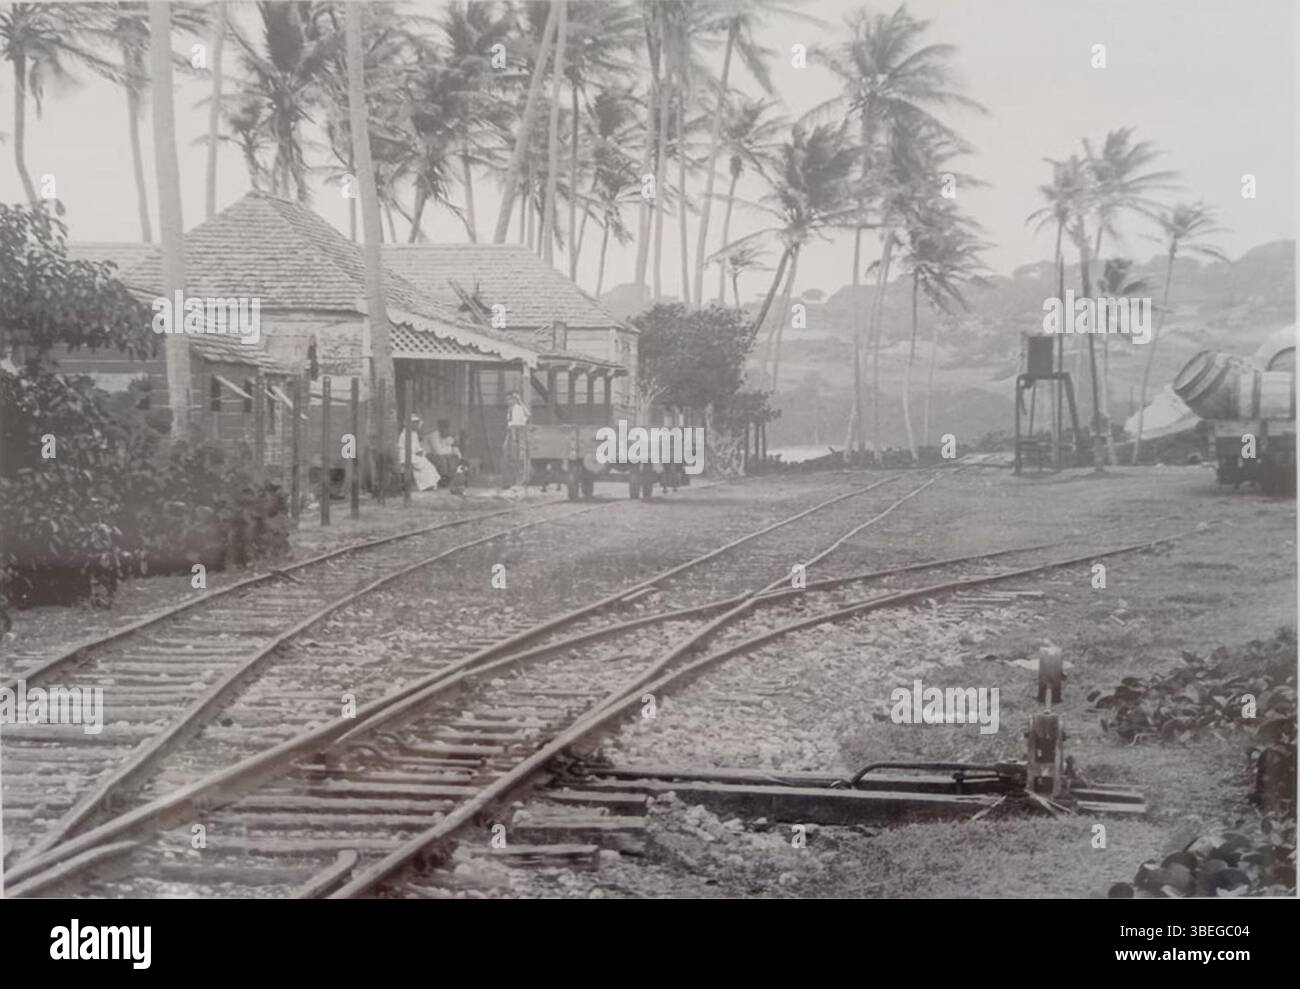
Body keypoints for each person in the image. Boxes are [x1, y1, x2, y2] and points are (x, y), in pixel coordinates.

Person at [396, 414, 441, 491]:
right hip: (405, 455)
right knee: (423, 464)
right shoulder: (405, 434)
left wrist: (421, 452)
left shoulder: (414, 434)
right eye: (414, 423)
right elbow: (409, 447)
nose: (416, 425)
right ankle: (425, 486)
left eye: (417, 423)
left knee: (428, 464)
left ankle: (429, 485)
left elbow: (417, 447)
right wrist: (418, 452)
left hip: (413, 454)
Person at [503, 391, 531, 487]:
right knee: (507, 455)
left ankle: (519, 480)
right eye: (507, 400)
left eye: (509, 399)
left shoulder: (519, 409)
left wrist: (520, 401)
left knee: (517, 457)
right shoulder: (510, 409)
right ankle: (509, 481)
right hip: (510, 433)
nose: (508, 401)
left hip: (517, 433)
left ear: (514, 399)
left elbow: (527, 415)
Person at [427, 419, 462, 485]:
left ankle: (448, 479)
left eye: (448, 429)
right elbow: (438, 452)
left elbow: (456, 452)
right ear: (439, 428)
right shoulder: (434, 436)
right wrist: (450, 451)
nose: (447, 431)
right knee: (443, 458)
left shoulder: (448, 437)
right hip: (426, 455)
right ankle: (444, 478)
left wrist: (456, 453)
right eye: (444, 428)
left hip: (441, 456)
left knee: (453, 458)